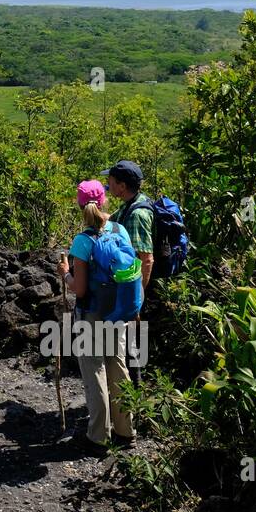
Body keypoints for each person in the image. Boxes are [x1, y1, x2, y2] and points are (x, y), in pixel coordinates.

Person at [57, 179, 138, 453]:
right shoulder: (120, 230)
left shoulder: (83, 241)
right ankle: (126, 430)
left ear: (80, 205)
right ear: (103, 201)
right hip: (118, 311)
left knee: (95, 371)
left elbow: (78, 289)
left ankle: (98, 436)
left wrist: (65, 273)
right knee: (118, 367)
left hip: (92, 312)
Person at [102, 159, 153, 382]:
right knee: (130, 348)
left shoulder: (136, 216)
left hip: (133, 293)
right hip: (127, 290)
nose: (108, 184)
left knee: (132, 351)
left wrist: (136, 301)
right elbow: (109, 221)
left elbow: (146, 259)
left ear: (121, 186)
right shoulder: (131, 205)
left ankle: (135, 406)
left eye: (110, 181)